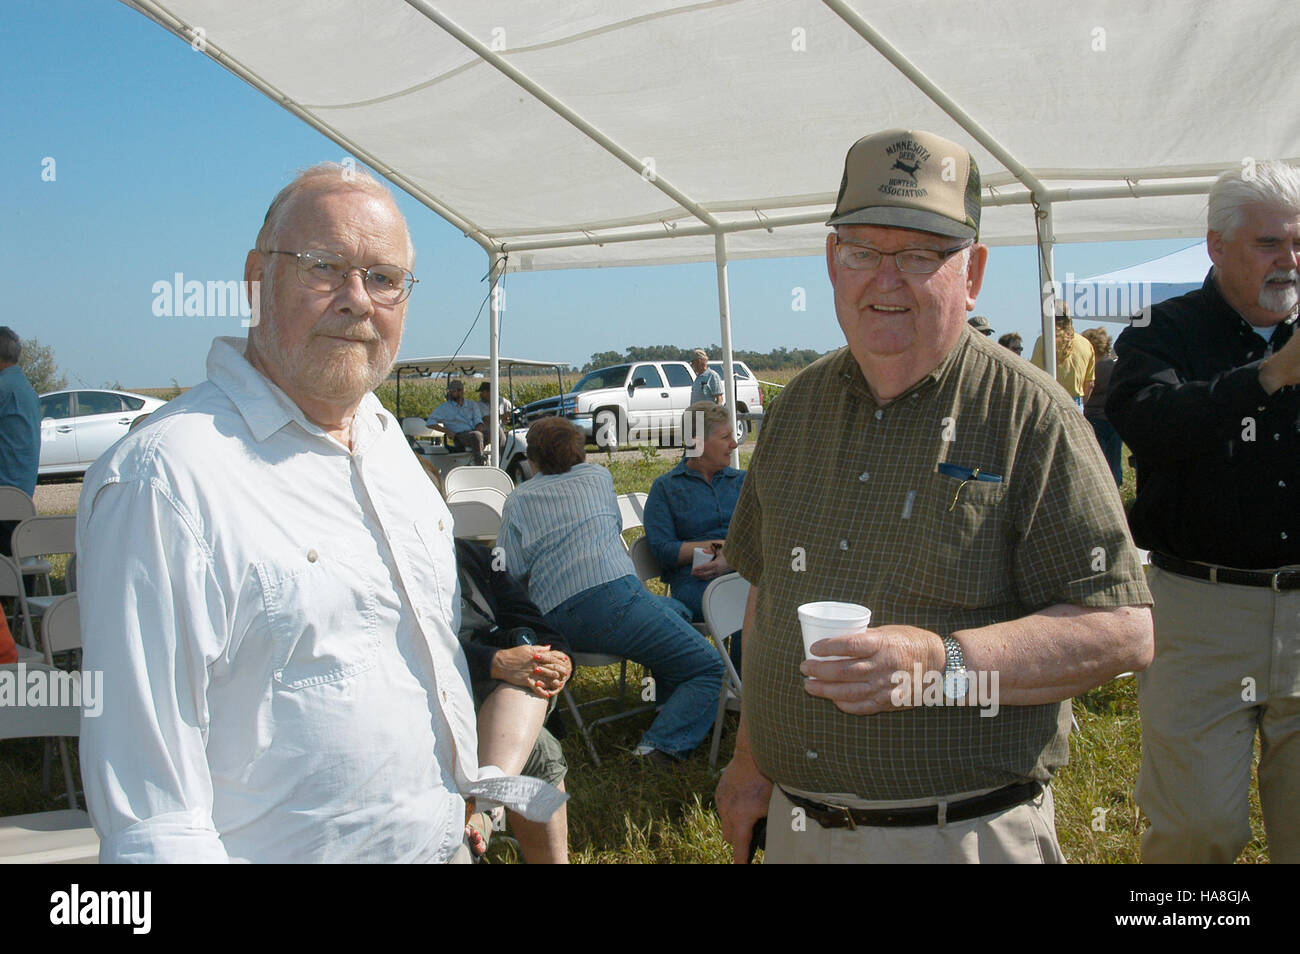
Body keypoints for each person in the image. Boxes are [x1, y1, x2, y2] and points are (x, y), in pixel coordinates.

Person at [77, 163, 559, 863]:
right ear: (255, 279)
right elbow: (152, 819)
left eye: (385, 278)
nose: (358, 301)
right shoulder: (166, 481)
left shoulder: (389, 445)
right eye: (325, 267)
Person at [714, 128, 1153, 864]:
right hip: (797, 829)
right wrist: (752, 762)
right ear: (831, 260)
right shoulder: (794, 408)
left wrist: (940, 663)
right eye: (861, 252)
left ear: (972, 271)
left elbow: (1122, 632)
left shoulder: (1030, 416)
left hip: (961, 837)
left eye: (920, 255)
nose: (886, 281)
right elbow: (767, 597)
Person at [1107, 159, 1300, 864]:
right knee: (1197, 832)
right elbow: (1150, 424)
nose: (1291, 260)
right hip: (1200, 611)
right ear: (1217, 246)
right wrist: (1271, 376)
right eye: (1270, 243)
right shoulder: (1164, 330)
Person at [498, 416, 723, 763]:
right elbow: (611, 525)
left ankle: (668, 705)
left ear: (533, 458)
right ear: (580, 451)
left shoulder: (517, 500)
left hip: (555, 620)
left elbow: (510, 573)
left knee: (676, 611)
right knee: (710, 668)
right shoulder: (598, 477)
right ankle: (659, 748)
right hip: (615, 601)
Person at [454, 536, 572, 863]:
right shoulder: (385, 567)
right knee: (540, 750)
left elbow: (536, 624)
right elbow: (413, 650)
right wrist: (496, 663)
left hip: (507, 700)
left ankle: (484, 808)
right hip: (441, 698)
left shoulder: (477, 558)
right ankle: (489, 807)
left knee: (533, 675)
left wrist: (559, 662)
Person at [643, 401, 745, 621]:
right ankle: (737, 658)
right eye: (725, 437)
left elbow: (764, 534)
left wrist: (733, 558)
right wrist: (721, 547)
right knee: (746, 606)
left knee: (761, 599)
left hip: (743, 572)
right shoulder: (667, 488)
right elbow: (663, 550)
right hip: (694, 583)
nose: (734, 444)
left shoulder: (742, 482)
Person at [0, 327, 40, 557]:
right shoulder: (25, 388)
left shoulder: (4, 388)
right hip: (21, 493)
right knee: (20, 560)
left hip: (4, 492)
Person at [1030, 302, 1095, 409]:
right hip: (1076, 403)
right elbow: (1090, 384)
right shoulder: (1086, 344)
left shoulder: (1044, 341)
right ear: (1070, 318)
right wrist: (1081, 404)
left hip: (1050, 401)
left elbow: (1035, 376)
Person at [1080, 327, 1122, 487]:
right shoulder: (1114, 366)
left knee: (1098, 462)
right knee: (1114, 462)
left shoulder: (1092, 368)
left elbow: (1086, 390)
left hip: (1093, 418)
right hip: (1113, 420)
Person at [427, 378, 489, 464]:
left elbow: (478, 420)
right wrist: (447, 431)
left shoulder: (471, 404)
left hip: (474, 433)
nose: (451, 393)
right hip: (459, 436)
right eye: (450, 391)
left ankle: (501, 464)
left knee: (495, 432)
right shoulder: (445, 407)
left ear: (461, 391)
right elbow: (430, 422)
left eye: (453, 391)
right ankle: (480, 464)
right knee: (477, 436)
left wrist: (479, 426)